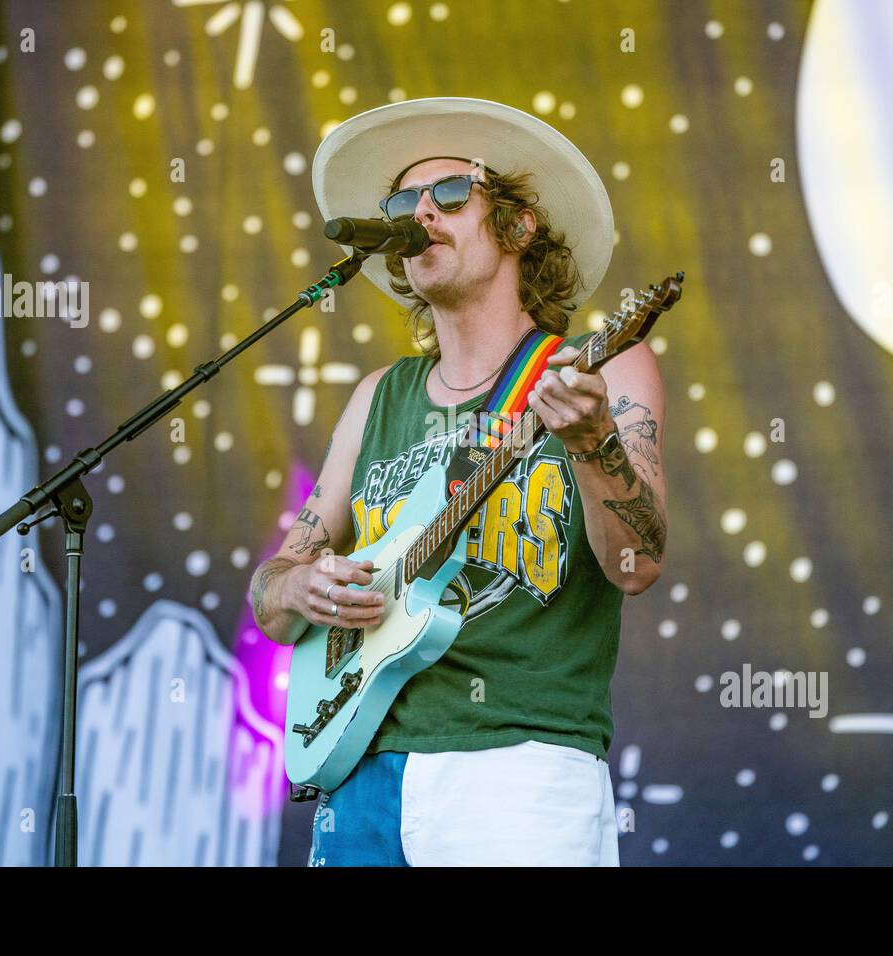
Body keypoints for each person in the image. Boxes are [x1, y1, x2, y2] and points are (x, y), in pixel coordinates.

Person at [249, 97, 668, 865]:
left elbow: (637, 566)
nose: (421, 216)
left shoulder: (599, 369)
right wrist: (296, 590)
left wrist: (592, 438)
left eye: (448, 195)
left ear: (517, 225)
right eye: (401, 205)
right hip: (358, 772)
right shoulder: (380, 395)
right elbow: (273, 595)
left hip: (519, 771)